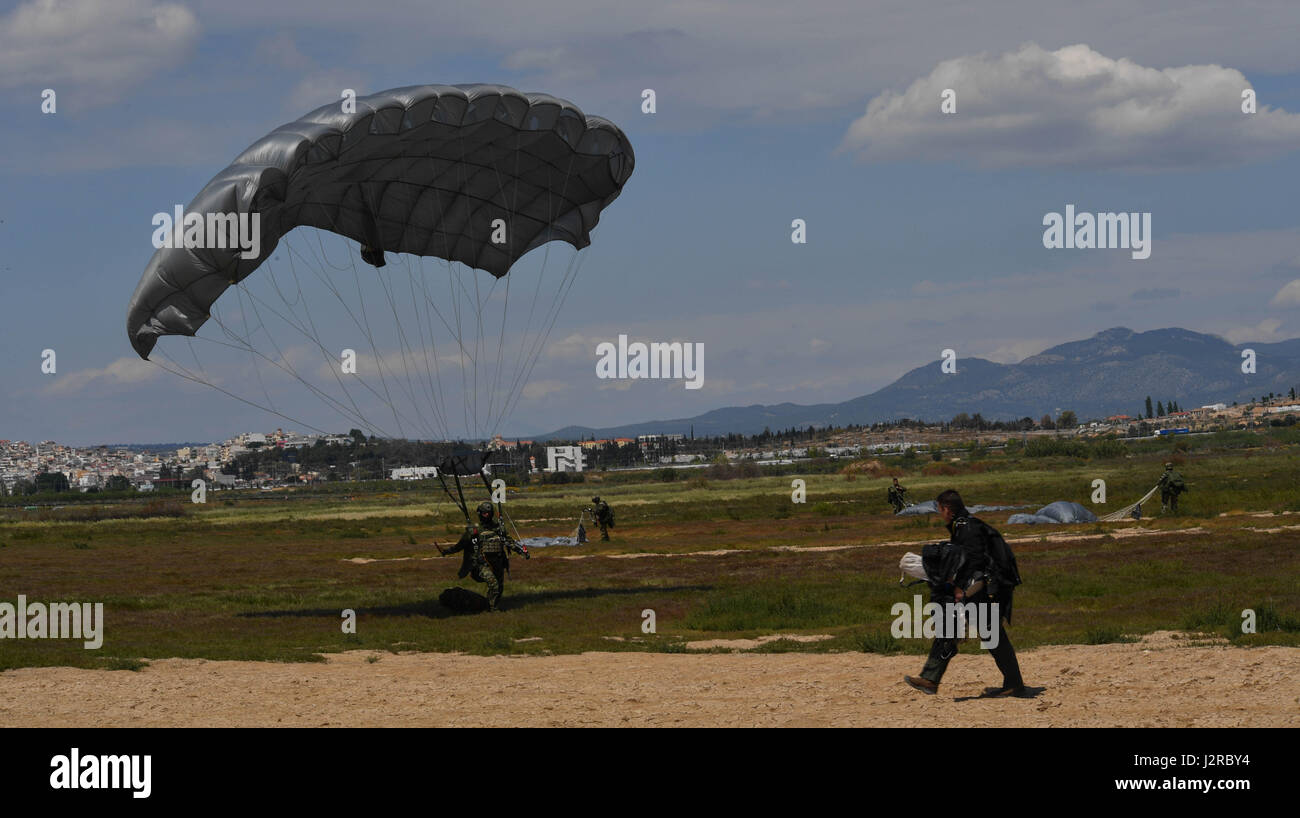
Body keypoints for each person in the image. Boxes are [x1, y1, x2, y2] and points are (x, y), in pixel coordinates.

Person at [904, 489, 1026, 697]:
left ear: (947, 509)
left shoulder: (967, 528)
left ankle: (1013, 684)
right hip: (979, 588)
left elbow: (975, 560)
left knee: (985, 634)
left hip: (982, 589)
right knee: (973, 631)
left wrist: (959, 588)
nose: (939, 514)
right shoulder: (963, 525)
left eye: (940, 509)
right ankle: (931, 679)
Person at [437, 501, 528, 612]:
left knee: (499, 588)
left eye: (488, 513)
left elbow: (509, 542)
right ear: (480, 514)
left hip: (498, 563)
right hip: (482, 565)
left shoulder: (499, 528)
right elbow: (460, 545)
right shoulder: (474, 531)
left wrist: (522, 552)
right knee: (494, 585)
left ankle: (489, 606)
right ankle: (492, 609)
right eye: (484, 513)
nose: (487, 515)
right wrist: (446, 551)